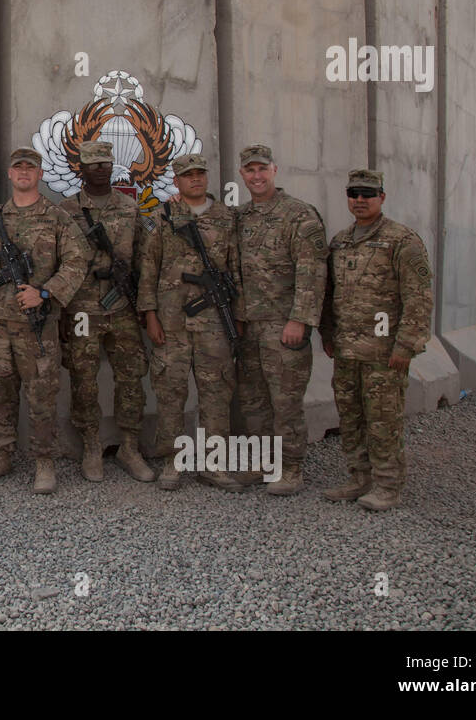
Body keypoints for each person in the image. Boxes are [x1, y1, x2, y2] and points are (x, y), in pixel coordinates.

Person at [0, 147, 89, 495]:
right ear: (9, 173)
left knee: (42, 395)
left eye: (30, 168)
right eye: (18, 167)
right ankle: (1, 454)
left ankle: (43, 460)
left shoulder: (57, 217)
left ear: (40, 174)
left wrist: (44, 292)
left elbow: (78, 263)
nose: (23, 173)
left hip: (39, 325)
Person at [319, 169, 433, 512]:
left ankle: (388, 485)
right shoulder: (340, 241)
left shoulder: (402, 240)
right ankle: (359, 477)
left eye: (368, 194)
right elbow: (328, 293)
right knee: (351, 418)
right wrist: (327, 334)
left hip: (384, 353)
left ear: (382, 197)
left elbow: (419, 297)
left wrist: (406, 345)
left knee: (383, 420)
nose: (360, 200)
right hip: (347, 350)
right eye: (354, 193)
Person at [138, 152, 246, 493]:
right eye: (188, 175)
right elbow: (148, 269)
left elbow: (236, 271)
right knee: (170, 393)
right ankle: (172, 461)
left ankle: (214, 464)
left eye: (200, 173)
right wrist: (150, 315)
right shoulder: (163, 216)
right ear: (177, 180)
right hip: (171, 324)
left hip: (214, 323)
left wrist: (238, 317)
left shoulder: (227, 218)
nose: (195, 179)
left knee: (216, 394)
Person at [58, 140, 155, 483]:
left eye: (104, 163)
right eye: (93, 163)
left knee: (131, 378)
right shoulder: (66, 211)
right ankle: (92, 446)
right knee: (84, 380)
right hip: (82, 309)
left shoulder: (130, 208)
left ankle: (129, 446)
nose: (100, 168)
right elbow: (57, 262)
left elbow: (144, 259)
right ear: (81, 168)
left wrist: (146, 308)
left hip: (123, 307)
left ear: (112, 166)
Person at [234, 145, 327, 494]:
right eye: (249, 170)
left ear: (275, 170)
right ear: (242, 175)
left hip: (284, 326)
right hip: (249, 327)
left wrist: (300, 320)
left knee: (285, 402)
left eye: (262, 169)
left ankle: (291, 468)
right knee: (253, 401)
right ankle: (262, 463)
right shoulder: (240, 217)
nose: (256, 176)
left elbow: (313, 272)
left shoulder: (299, 216)